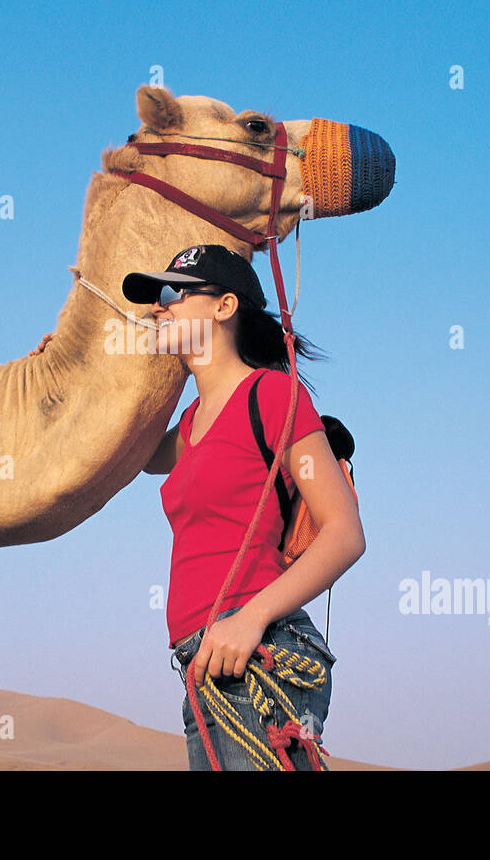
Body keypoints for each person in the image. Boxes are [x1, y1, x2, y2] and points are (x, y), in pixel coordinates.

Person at [127, 243, 365, 771]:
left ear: (224, 306)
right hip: (204, 663)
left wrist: (250, 619)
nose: (157, 307)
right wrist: (72, 373)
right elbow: (128, 451)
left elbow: (344, 532)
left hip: (260, 652)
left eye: (172, 294)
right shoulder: (188, 426)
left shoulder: (272, 395)